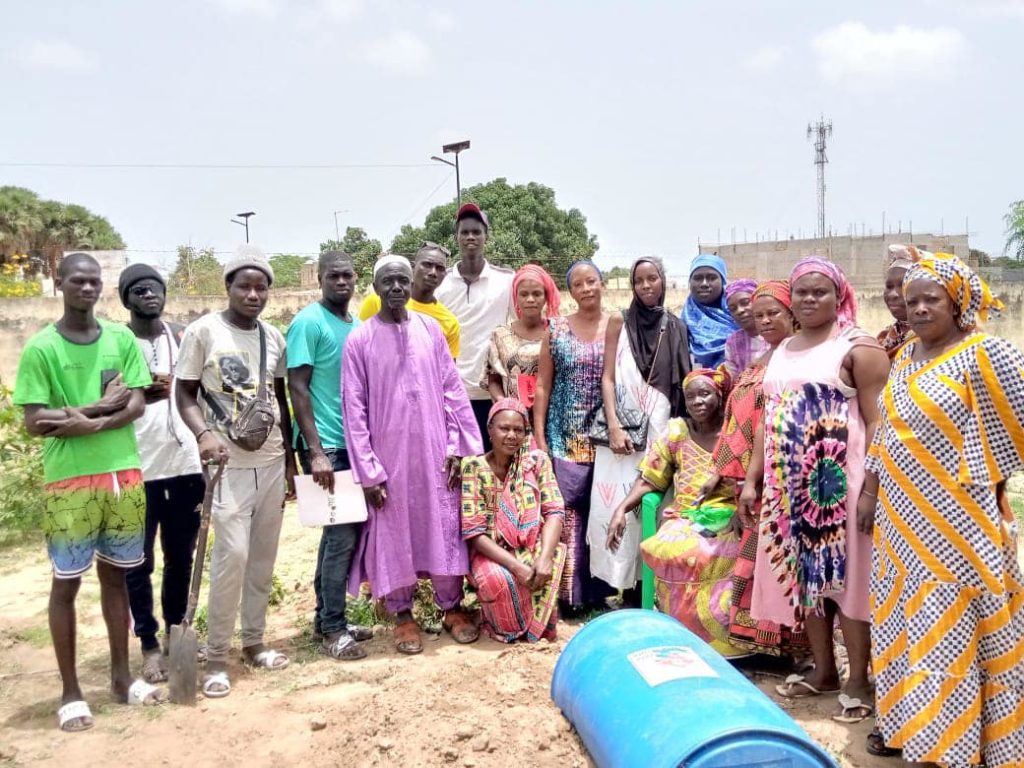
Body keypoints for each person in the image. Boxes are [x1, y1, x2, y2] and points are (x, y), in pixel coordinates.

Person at [864, 254, 1023, 766]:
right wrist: (870, 489)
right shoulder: (907, 355)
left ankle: (953, 747)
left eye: (932, 298)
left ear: (957, 301)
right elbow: (886, 428)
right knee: (904, 625)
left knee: (948, 627)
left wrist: (987, 471)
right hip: (899, 521)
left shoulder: (985, 352)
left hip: (957, 523)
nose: (920, 308)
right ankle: (910, 730)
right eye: (912, 301)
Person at [13, 253, 162, 733]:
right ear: (59, 283)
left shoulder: (121, 339)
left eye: (94, 281)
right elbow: (37, 422)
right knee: (67, 584)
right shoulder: (41, 349)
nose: (87, 288)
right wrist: (98, 406)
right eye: (77, 280)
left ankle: (121, 679)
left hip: (123, 474)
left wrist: (79, 420)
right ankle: (71, 692)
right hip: (69, 482)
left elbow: (137, 403)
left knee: (117, 579)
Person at [739, 257, 889, 723]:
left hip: (840, 484)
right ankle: (824, 672)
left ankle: (859, 681)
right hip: (790, 487)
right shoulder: (782, 349)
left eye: (819, 291)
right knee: (810, 583)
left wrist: (869, 493)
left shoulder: (857, 348)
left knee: (849, 585)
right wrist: (752, 478)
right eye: (801, 292)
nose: (809, 299)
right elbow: (770, 416)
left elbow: (879, 423)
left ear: (839, 294)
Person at [343, 255, 483, 655]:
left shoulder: (431, 330)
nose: (397, 288)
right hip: (388, 459)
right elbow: (354, 409)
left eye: (403, 280)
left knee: (442, 525)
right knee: (394, 530)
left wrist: (457, 447)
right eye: (388, 281)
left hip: (436, 451)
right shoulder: (360, 340)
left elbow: (452, 389)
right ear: (375, 287)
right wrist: (369, 472)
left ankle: (451, 608)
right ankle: (402, 615)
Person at [175, 245, 297, 698]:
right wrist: (204, 435)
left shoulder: (274, 338)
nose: (253, 294)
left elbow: (278, 399)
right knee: (232, 558)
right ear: (227, 287)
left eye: (261, 287)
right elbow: (184, 394)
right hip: (225, 464)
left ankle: (255, 642)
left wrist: (288, 461)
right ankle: (216, 656)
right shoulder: (204, 332)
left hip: (268, 459)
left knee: (263, 557)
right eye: (244, 286)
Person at [700, 280, 808, 656]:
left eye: (772, 313)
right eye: (758, 315)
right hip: (752, 479)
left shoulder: (795, 361)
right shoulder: (759, 363)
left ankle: (789, 646)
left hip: (781, 477)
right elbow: (738, 421)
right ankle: (759, 645)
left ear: (792, 314)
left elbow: (770, 421)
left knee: (781, 562)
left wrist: (751, 477)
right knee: (756, 559)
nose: (763, 321)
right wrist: (720, 470)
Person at [607, 369, 744, 657]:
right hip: (686, 515)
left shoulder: (735, 434)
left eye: (704, 394)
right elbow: (650, 478)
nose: (697, 401)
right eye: (690, 396)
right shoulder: (677, 432)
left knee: (721, 551)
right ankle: (678, 635)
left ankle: (727, 644)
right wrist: (621, 508)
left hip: (732, 513)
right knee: (677, 548)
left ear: (720, 396)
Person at [118, 264, 205, 684]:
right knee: (139, 563)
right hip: (136, 467)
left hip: (185, 465)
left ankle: (177, 632)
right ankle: (148, 645)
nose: (148, 294)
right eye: (138, 289)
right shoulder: (117, 343)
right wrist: (135, 395)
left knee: (180, 557)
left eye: (154, 287)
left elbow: (202, 390)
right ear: (126, 299)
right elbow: (105, 396)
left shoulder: (183, 336)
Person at [588, 257, 691, 595]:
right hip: (623, 434)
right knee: (615, 501)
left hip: (657, 432)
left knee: (649, 503)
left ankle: (644, 588)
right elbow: (607, 377)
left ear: (663, 282)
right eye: (639, 281)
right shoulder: (620, 320)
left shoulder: (675, 327)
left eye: (653, 279)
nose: (646, 286)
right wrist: (614, 425)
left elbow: (681, 386)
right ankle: (616, 586)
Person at [286, 250, 371, 661]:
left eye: (348, 276)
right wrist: (315, 451)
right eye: (333, 276)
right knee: (340, 537)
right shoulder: (308, 323)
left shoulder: (353, 325)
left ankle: (327, 618)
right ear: (319, 278)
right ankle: (334, 629)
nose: (341, 282)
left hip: (351, 445)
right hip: (328, 449)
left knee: (337, 535)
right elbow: (297, 387)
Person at [533, 259, 611, 609]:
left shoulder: (617, 325)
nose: (586, 289)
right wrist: (539, 437)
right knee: (566, 514)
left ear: (602, 283)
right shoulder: (557, 329)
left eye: (591, 281)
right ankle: (568, 597)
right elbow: (542, 387)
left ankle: (599, 593)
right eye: (578, 284)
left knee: (602, 510)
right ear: (570, 291)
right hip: (563, 435)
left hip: (605, 439)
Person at [460, 398, 566, 642]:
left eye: (518, 430)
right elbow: (474, 532)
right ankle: (502, 627)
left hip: (531, 545)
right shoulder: (474, 468)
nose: (511, 436)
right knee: (499, 580)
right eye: (504, 428)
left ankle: (536, 629)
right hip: (491, 551)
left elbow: (555, 511)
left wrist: (545, 557)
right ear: (489, 430)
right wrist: (516, 566)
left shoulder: (536, 462)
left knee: (540, 570)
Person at [435, 203, 514, 449]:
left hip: (493, 393)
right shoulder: (441, 283)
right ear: (456, 237)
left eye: (476, 232)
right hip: (452, 394)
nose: (470, 237)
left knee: (495, 466)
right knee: (460, 467)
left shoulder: (506, 281)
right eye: (464, 232)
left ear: (486, 236)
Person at [481, 263, 560, 414]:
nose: (530, 299)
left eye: (537, 294)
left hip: (551, 417)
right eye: (524, 294)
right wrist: (506, 405)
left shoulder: (558, 333)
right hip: (514, 422)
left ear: (545, 297)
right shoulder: (500, 335)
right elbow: (493, 380)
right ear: (516, 297)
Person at [358, 243, 460, 357]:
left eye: (440, 268)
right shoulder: (378, 301)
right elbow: (359, 349)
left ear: (445, 274)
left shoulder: (449, 322)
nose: (433, 272)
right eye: (427, 265)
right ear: (413, 267)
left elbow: (448, 371)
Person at [682, 253, 739, 369]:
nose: (704, 284)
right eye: (697, 278)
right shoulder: (679, 325)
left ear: (723, 282)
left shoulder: (739, 317)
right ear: (690, 282)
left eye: (712, 278)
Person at [876, 244, 924, 360]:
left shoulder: (931, 343)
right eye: (889, 286)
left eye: (903, 285)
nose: (893, 294)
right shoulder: (884, 338)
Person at [721, 278, 768, 380]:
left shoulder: (775, 333)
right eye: (733, 309)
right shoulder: (733, 342)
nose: (740, 310)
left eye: (745, 303)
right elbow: (732, 378)